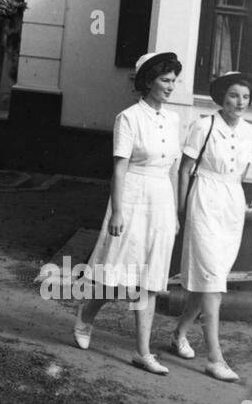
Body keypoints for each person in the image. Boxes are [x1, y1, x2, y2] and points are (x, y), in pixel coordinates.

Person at [73, 50, 183, 374]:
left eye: (174, 80)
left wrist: (174, 212)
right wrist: (118, 212)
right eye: (165, 80)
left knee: (149, 277)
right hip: (132, 196)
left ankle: (142, 352)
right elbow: (118, 170)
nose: (171, 86)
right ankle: (85, 316)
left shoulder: (174, 119)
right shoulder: (129, 117)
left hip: (161, 199)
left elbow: (174, 170)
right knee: (118, 275)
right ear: (148, 81)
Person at [169, 72, 252, 382]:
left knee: (211, 278)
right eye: (234, 95)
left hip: (231, 204)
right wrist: (180, 211)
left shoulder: (249, 132)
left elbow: (241, 174)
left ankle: (179, 331)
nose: (240, 102)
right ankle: (215, 357)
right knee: (212, 281)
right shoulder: (204, 125)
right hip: (203, 199)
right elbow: (185, 170)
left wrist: (233, 201)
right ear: (222, 97)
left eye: (245, 97)